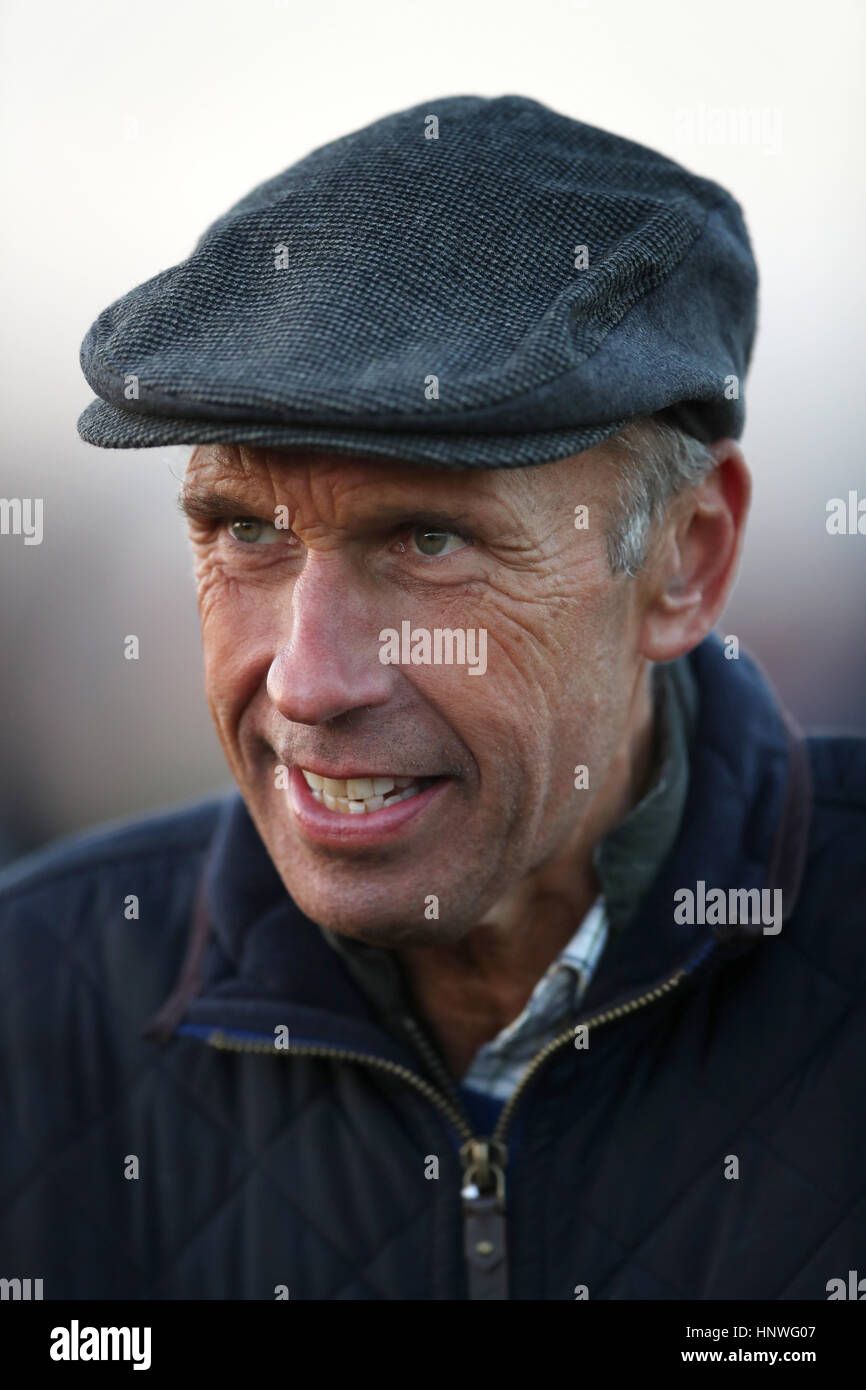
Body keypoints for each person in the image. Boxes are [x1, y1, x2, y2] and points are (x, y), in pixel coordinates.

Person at [1, 95, 864, 1301]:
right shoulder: (30, 1001)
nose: (306, 678)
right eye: (245, 530)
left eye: (427, 542)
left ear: (684, 558)